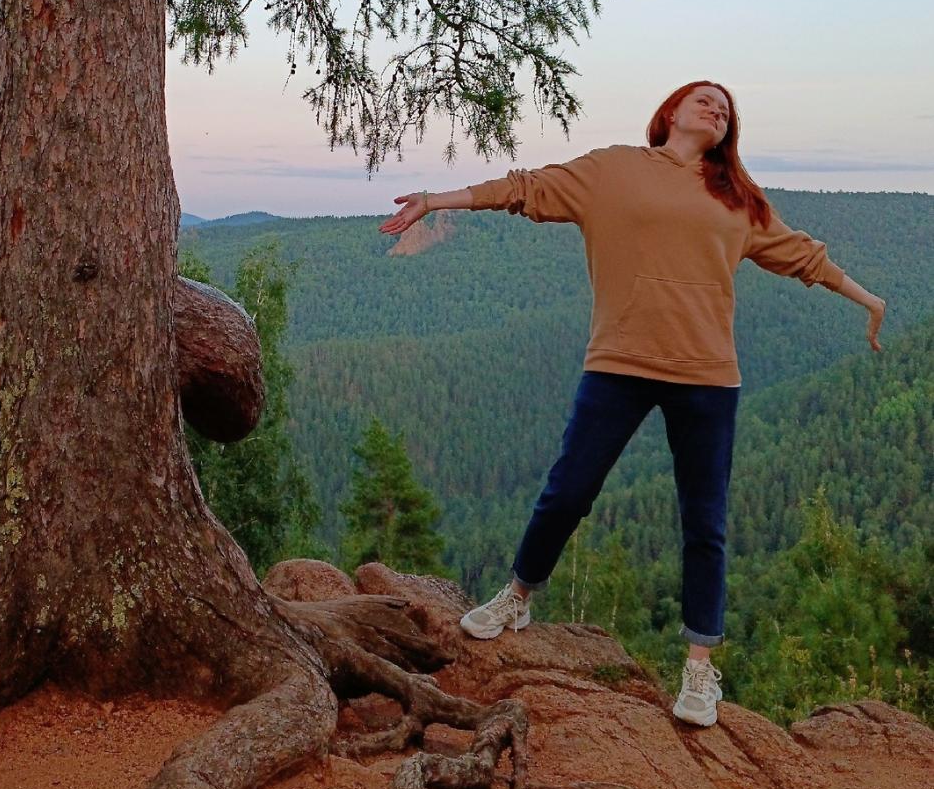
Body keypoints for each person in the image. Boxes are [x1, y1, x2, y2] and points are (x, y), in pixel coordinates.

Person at [379, 81, 886, 727]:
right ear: (669, 112)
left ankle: (699, 671)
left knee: (704, 524)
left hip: (706, 377)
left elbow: (800, 257)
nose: (716, 108)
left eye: (725, 108)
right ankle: (517, 596)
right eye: (703, 99)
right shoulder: (612, 170)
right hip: (618, 364)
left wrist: (866, 300)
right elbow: (523, 187)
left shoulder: (736, 198)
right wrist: (434, 198)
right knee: (566, 492)